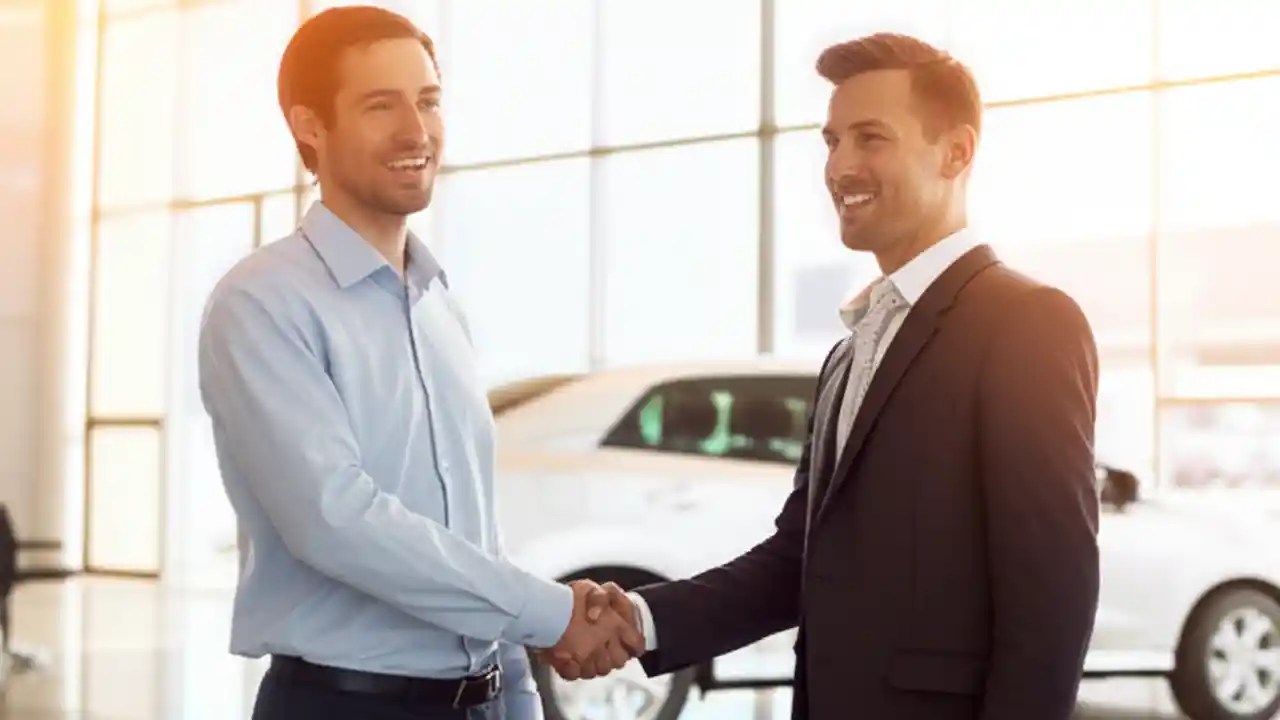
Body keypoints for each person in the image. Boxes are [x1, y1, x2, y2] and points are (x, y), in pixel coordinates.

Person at [558, 32, 1102, 720]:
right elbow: (798, 562)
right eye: (831, 141)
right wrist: (641, 618)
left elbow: (1052, 598)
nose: (840, 166)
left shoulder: (1025, 322)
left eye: (870, 139)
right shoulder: (851, 351)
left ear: (956, 152)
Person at [197, 7, 640, 719]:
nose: (416, 130)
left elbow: (473, 532)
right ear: (310, 126)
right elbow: (335, 520)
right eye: (381, 105)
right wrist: (552, 612)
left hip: (481, 700)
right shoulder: (262, 301)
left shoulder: (438, 306)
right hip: (344, 705)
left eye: (429, 101)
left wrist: (517, 693)